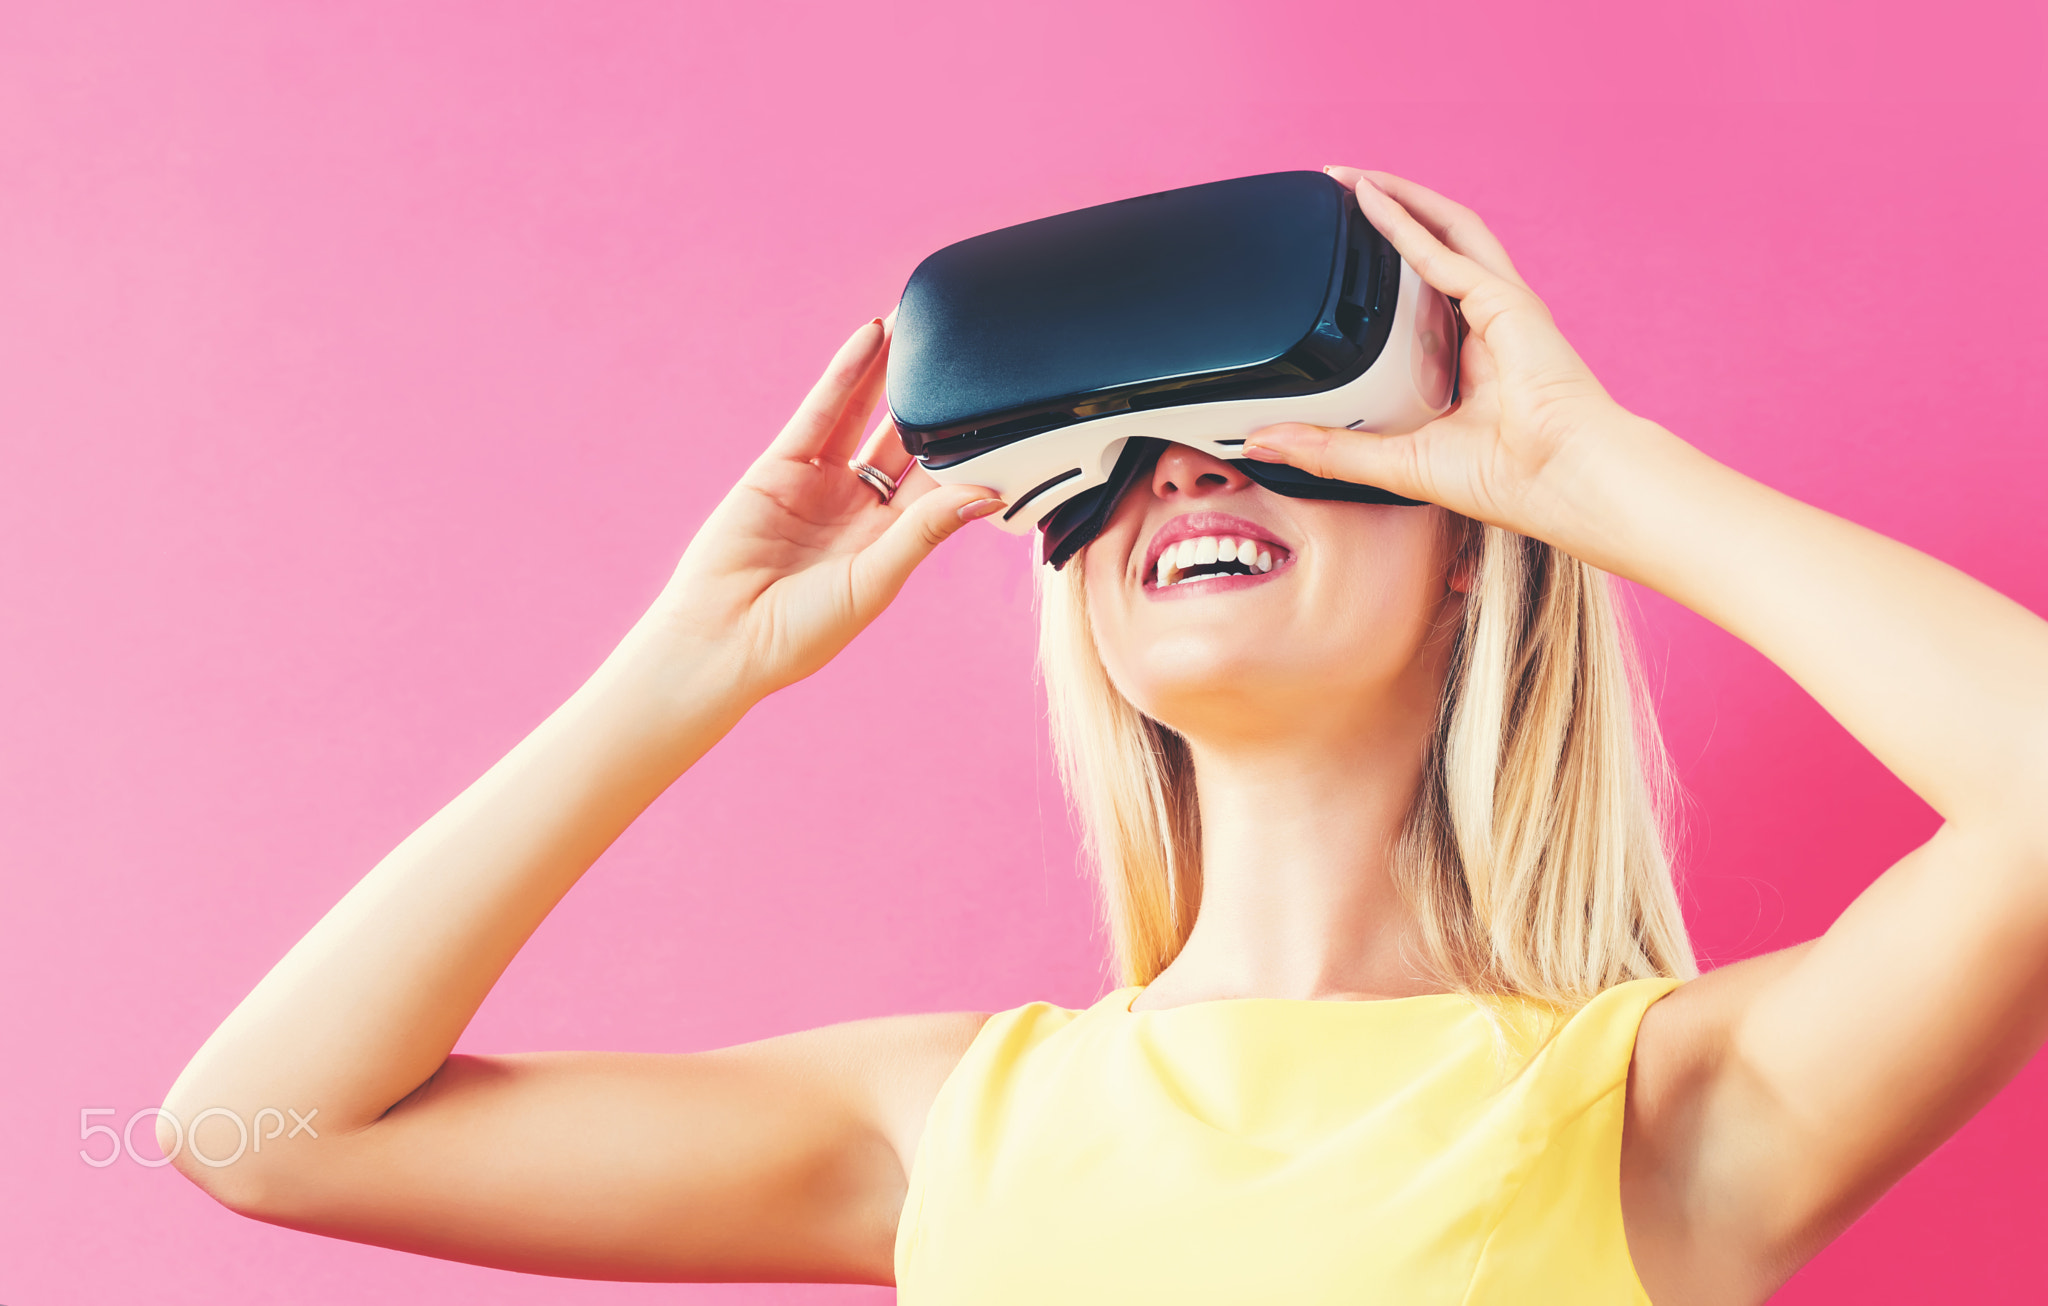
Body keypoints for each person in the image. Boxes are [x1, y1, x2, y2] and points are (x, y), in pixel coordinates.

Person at [159, 168, 2048, 1304]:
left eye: (1278, 432)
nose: (1189, 469)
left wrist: (1594, 471)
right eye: (1120, 463)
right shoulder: (942, 1122)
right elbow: (257, 1128)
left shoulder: (1662, 1103)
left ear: (1475, 562)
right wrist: (688, 664)